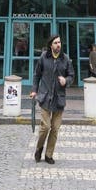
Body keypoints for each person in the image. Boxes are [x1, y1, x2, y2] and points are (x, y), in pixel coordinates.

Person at [30, 34, 74, 165]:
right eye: (55, 43)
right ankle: (39, 148)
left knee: (55, 128)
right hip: (45, 97)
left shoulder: (66, 59)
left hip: (59, 99)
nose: (58, 45)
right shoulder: (44, 57)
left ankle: (49, 154)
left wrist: (66, 80)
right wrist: (34, 90)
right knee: (46, 127)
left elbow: (72, 75)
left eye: (59, 42)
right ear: (51, 45)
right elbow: (37, 75)